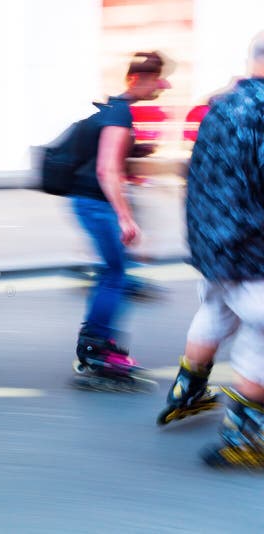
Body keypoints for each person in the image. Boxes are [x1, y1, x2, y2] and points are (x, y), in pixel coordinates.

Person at [157, 34, 264, 467]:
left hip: (212, 241)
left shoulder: (222, 104)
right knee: (261, 335)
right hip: (253, 247)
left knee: (217, 311)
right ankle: (243, 435)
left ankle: (186, 391)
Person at [67, 51, 171, 388]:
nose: (164, 85)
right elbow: (106, 169)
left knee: (112, 272)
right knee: (115, 274)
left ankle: (98, 340)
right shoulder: (120, 114)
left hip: (90, 202)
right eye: (158, 79)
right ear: (138, 80)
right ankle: (96, 346)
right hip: (95, 204)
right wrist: (126, 218)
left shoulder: (114, 109)